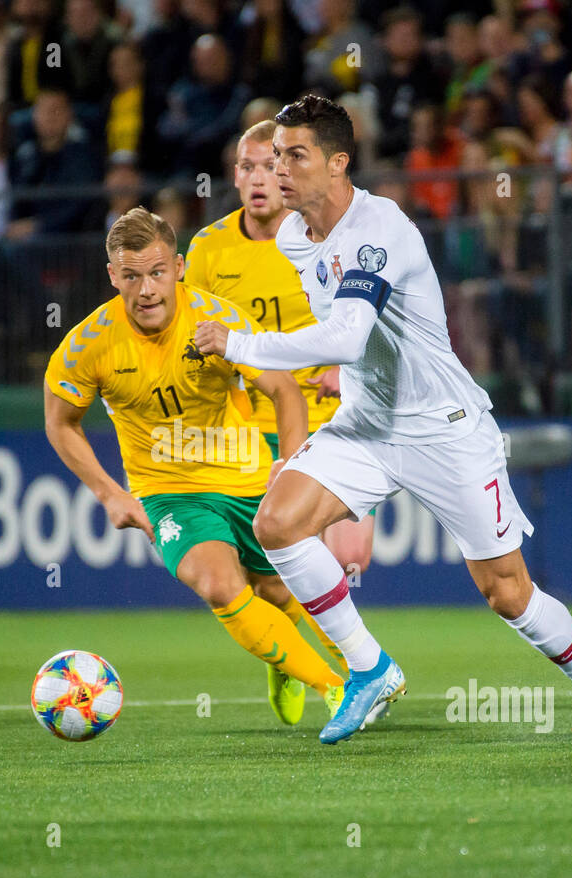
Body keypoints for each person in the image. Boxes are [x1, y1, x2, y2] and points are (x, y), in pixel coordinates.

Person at [194, 95, 572, 747]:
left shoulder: (381, 228)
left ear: (338, 163)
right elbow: (347, 339)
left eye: (296, 155)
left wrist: (241, 344)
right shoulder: (291, 237)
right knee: (277, 523)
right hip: (366, 422)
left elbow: (344, 334)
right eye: (274, 155)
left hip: (443, 428)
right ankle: (368, 668)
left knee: (507, 592)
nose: (279, 168)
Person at [44, 206, 344, 727]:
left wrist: (292, 468)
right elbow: (60, 422)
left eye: (157, 272)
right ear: (112, 276)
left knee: (276, 591)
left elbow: (284, 390)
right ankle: (335, 687)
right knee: (217, 581)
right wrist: (110, 493)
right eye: (131, 276)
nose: (146, 290)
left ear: (179, 268)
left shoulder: (218, 321)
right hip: (170, 492)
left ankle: (288, 665)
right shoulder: (88, 346)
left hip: (249, 480)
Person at [184, 119, 379, 713]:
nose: (258, 178)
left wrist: (350, 369)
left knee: (346, 559)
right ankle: (324, 671)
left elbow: (376, 316)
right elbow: (190, 338)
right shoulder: (209, 250)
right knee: (273, 569)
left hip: (328, 418)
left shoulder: (324, 238)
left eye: (269, 165)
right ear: (234, 176)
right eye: (246, 167)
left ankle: (343, 668)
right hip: (248, 427)